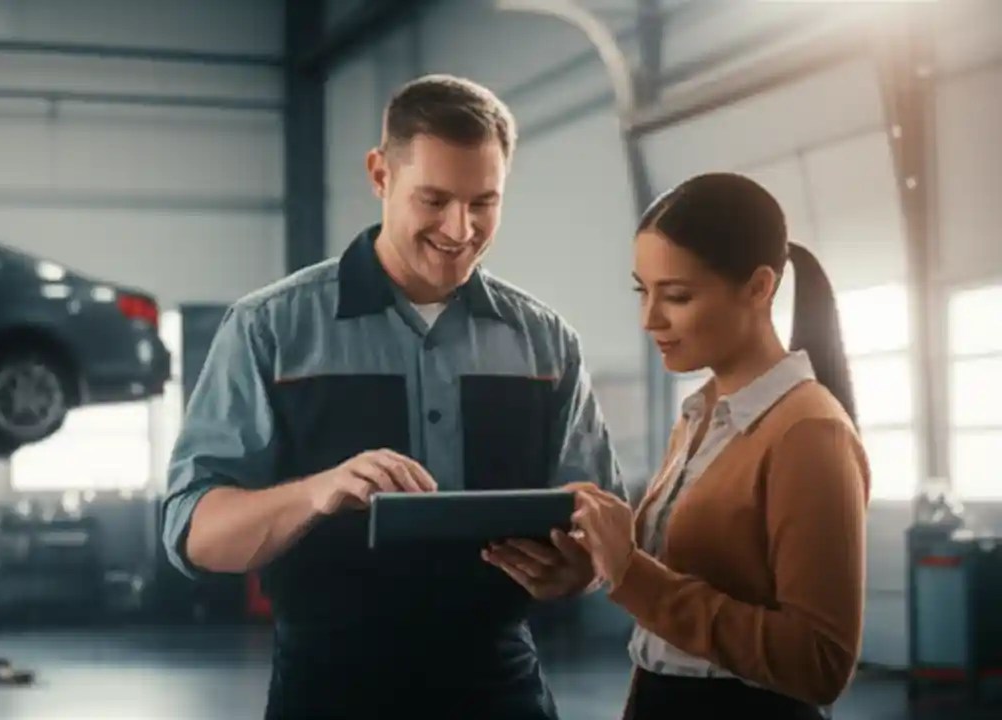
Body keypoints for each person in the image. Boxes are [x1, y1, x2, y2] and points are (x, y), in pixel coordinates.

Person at [161, 74, 624, 719]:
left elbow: (602, 530)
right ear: (381, 175)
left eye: (483, 202)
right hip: (327, 692)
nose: (460, 229)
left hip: (500, 690)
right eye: (433, 200)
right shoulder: (270, 330)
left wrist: (578, 571)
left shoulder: (546, 345)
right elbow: (194, 535)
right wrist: (317, 493)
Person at [561, 173, 871, 718]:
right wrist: (599, 551)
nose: (649, 319)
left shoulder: (808, 432)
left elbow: (818, 662)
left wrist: (635, 575)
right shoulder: (699, 416)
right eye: (643, 290)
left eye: (676, 295)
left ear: (758, 288)